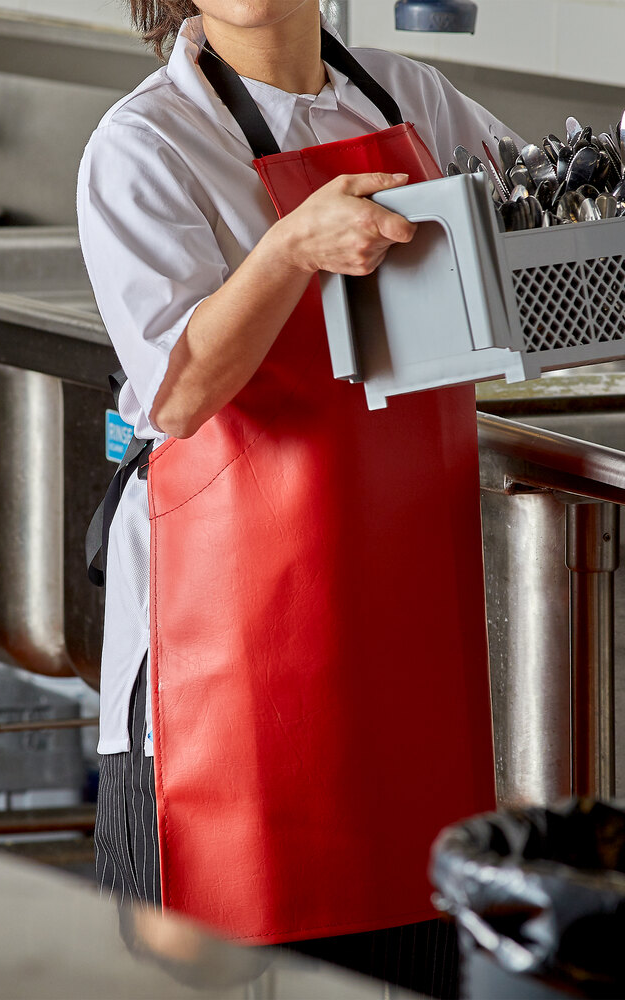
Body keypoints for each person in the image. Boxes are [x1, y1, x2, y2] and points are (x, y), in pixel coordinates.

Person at [77, 2, 520, 995]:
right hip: (223, 672)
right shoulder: (147, 144)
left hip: (398, 649)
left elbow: (528, 237)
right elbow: (179, 393)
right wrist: (288, 251)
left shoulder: (411, 98)